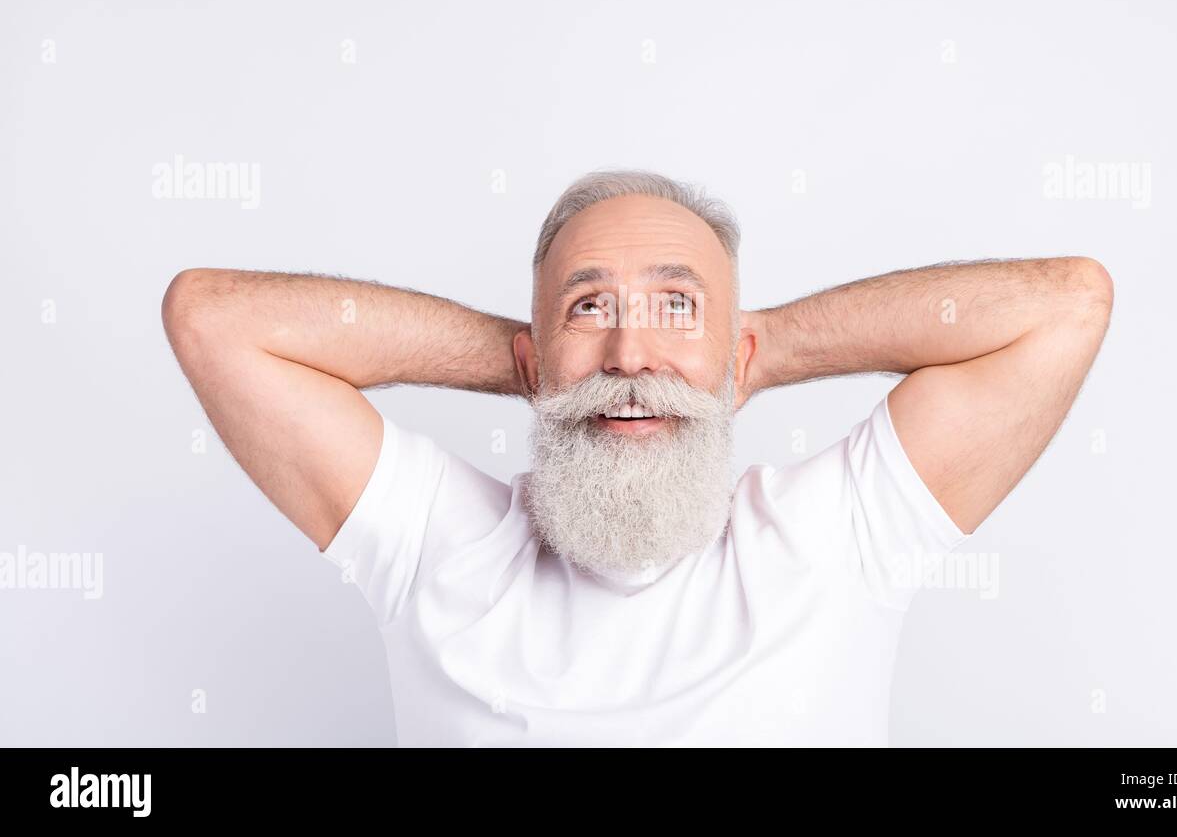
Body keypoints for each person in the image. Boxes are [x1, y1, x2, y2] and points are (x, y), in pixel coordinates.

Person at [161, 169, 1113, 745]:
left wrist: (762, 348)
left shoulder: (836, 540)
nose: (629, 354)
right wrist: (529, 360)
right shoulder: (436, 548)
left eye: (677, 308)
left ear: (737, 356)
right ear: (529, 359)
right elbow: (213, 319)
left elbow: (1066, 305)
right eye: (589, 308)